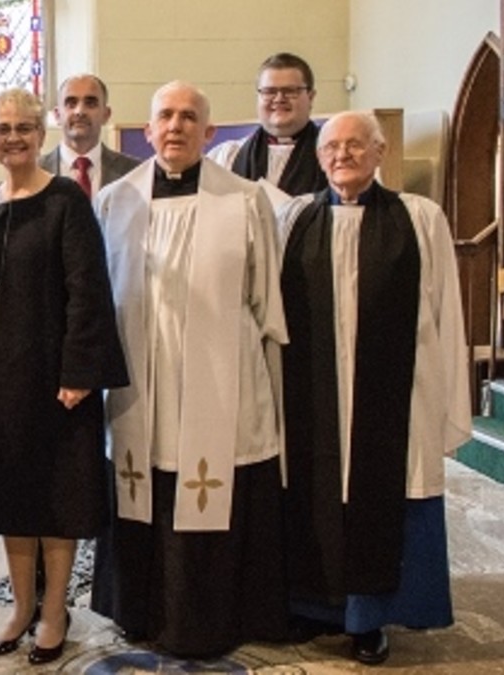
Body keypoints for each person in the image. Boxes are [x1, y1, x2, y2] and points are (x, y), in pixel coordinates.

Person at [90, 80, 289, 660]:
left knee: (212, 486)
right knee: (142, 487)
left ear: (208, 132)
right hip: (141, 386)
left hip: (220, 377)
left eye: (188, 117)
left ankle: (208, 621)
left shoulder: (245, 199)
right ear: (147, 130)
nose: (175, 126)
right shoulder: (116, 200)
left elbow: (264, 299)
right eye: (164, 117)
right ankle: (139, 612)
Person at [277, 110, 473, 666]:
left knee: (382, 493)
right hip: (313, 395)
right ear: (320, 157)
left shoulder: (419, 218)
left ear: (380, 152)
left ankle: (369, 619)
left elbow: (444, 310)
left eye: (356, 145)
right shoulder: (295, 219)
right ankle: (314, 607)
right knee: (312, 487)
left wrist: (443, 392)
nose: (342, 155)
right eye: (333, 147)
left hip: (391, 395)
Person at [0, 88, 127, 666]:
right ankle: (21, 605)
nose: (14, 138)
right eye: (4, 129)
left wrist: (79, 371)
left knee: (56, 499)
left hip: (53, 381)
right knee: (10, 501)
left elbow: (88, 290)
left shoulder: (66, 200)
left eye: (25, 128)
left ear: (41, 135)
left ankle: (54, 613)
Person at [208, 52, 328, 196]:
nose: (279, 99)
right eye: (269, 91)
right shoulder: (226, 157)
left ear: (311, 97)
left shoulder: (332, 155)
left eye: (290, 91)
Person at [39, 73, 141, 198]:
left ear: (106, 114)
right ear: (57, 115)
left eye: (90, 104)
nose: (80, 111)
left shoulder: (134, 172)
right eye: (71, 104)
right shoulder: (35, 171)